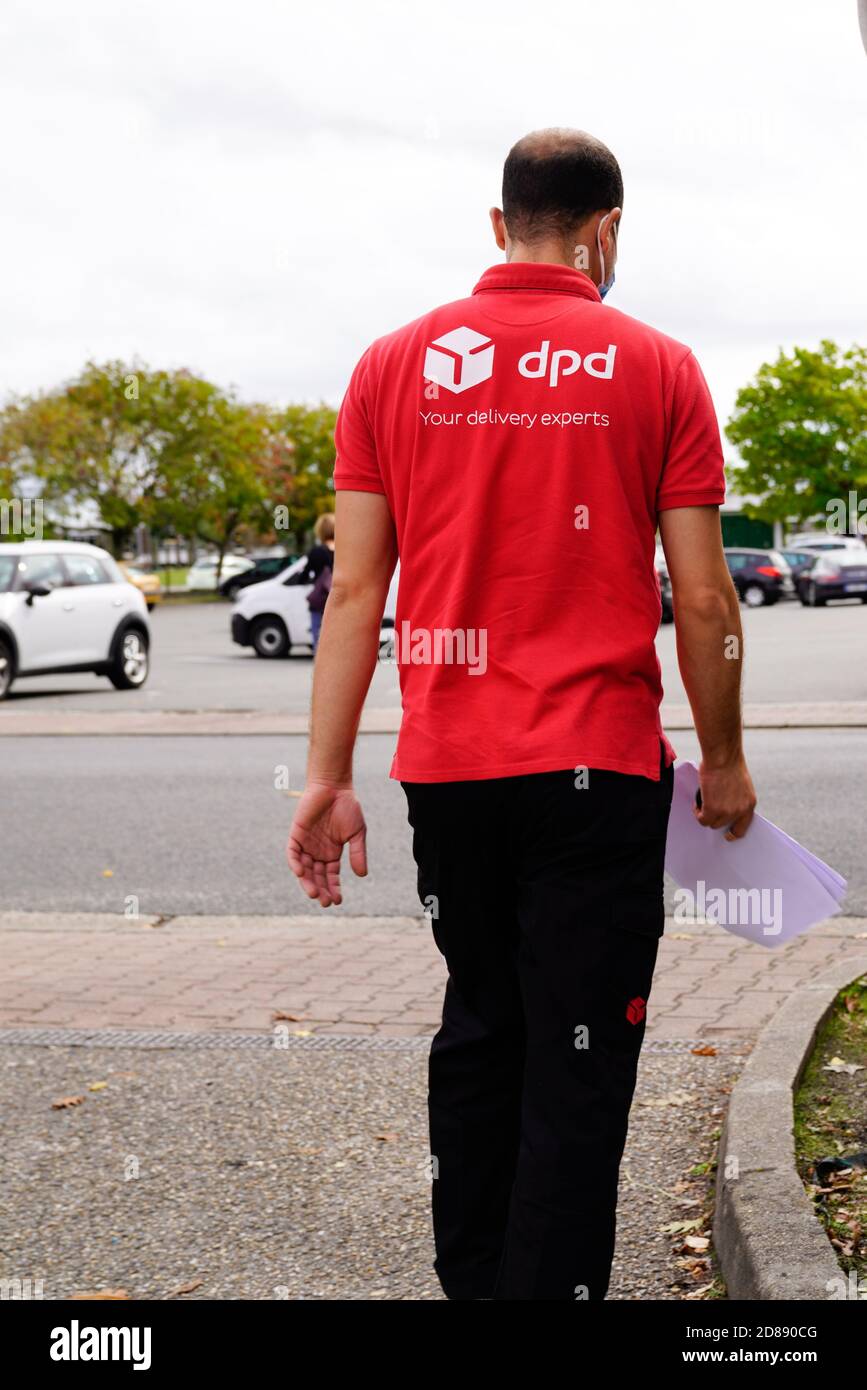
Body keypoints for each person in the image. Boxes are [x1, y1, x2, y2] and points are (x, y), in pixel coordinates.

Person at [286, 128, 756, 1301]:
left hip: (449, 771)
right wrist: (728, 756)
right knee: (580, 1054)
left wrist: (327, 775)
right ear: (606, 233)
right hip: (597, 776)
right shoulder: (658, 366)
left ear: (499, 227)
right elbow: (703, 596)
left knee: (484, 1025)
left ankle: (477, 1280)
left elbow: (354, 588)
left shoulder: (392, 364)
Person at [303, 513, 335, 654]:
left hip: (319, 600)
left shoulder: (316, 552)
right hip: (339, 599)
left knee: (318, 635)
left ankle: (321, 664)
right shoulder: (346, 550)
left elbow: (303, 576)